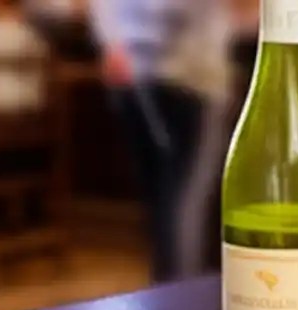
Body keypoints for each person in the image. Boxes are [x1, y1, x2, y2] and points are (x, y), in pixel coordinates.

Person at [88, 0, 232, 283]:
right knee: (184, 205)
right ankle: (182, 302)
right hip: (190, 79)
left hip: (135, 76)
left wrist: (113, 41)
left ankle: (167, 297)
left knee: (163, 205)